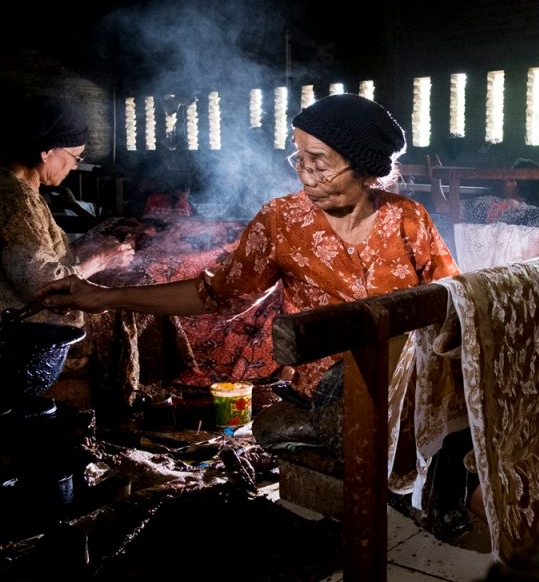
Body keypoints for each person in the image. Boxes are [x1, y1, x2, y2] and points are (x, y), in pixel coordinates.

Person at [38, 93, 460, 397]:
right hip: (332, 388)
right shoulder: (282, 220)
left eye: (319, 161)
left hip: (407, 381)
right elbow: (218, 295)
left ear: (365, 169)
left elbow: (452, 302)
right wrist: (106, 297)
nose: (305, 174)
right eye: (299, 158)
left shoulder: (408, 219)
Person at [1, 95, 135, 384]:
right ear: (46, 152)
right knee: (123, 310)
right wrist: (99, 261)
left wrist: (84, 250)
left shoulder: (22, 189)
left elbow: (34, 254)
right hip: (19, 324)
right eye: (75, 156)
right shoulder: (15, 199)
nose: (74, 166)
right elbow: (41, 282)